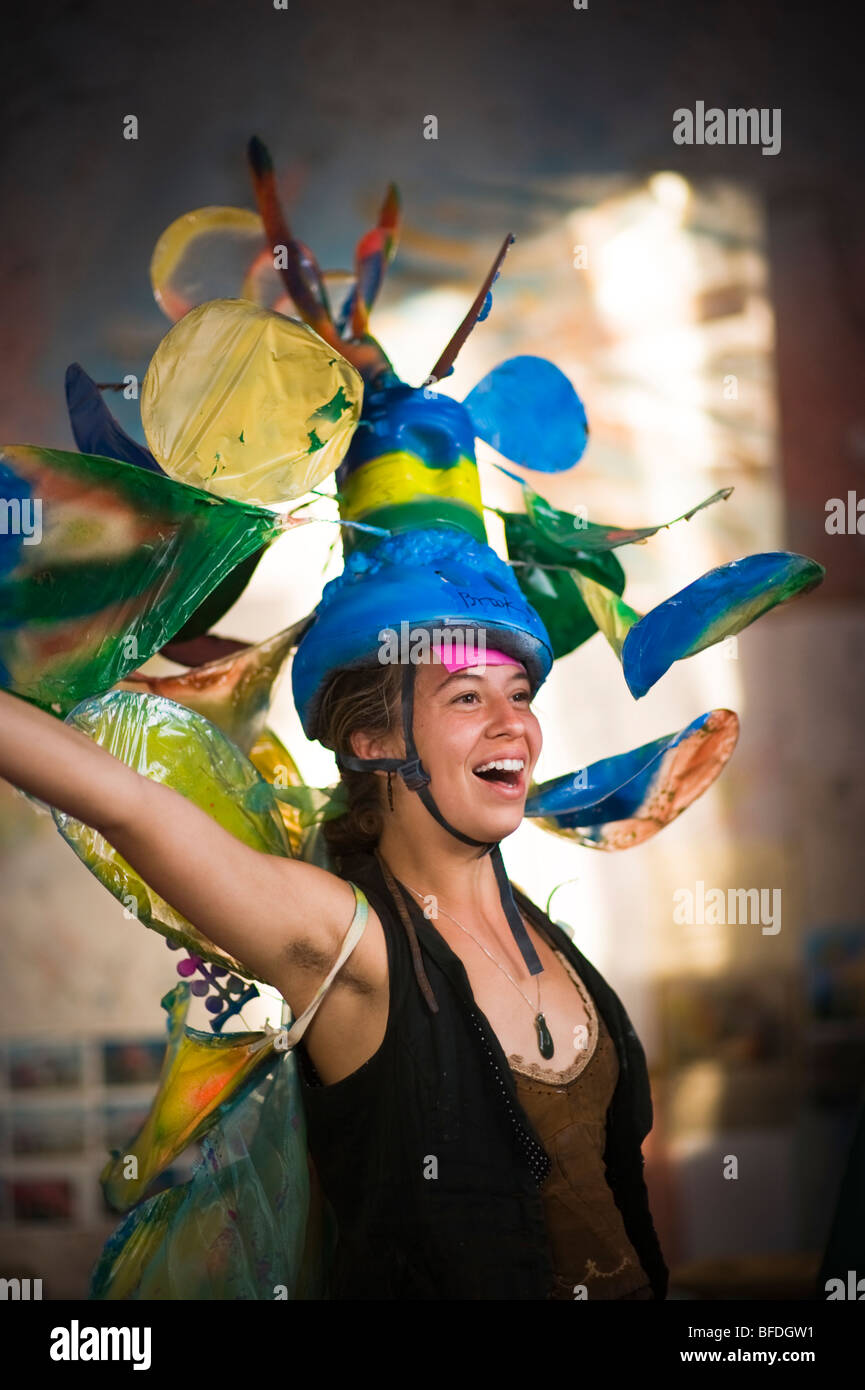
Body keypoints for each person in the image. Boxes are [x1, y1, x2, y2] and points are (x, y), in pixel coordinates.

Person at [0, 605, 668, 1300]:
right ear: (374, 741)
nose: (514, 725)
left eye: (520, 695)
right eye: (468, 696)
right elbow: (127, 804)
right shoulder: (346, 944)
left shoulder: (547, 936)